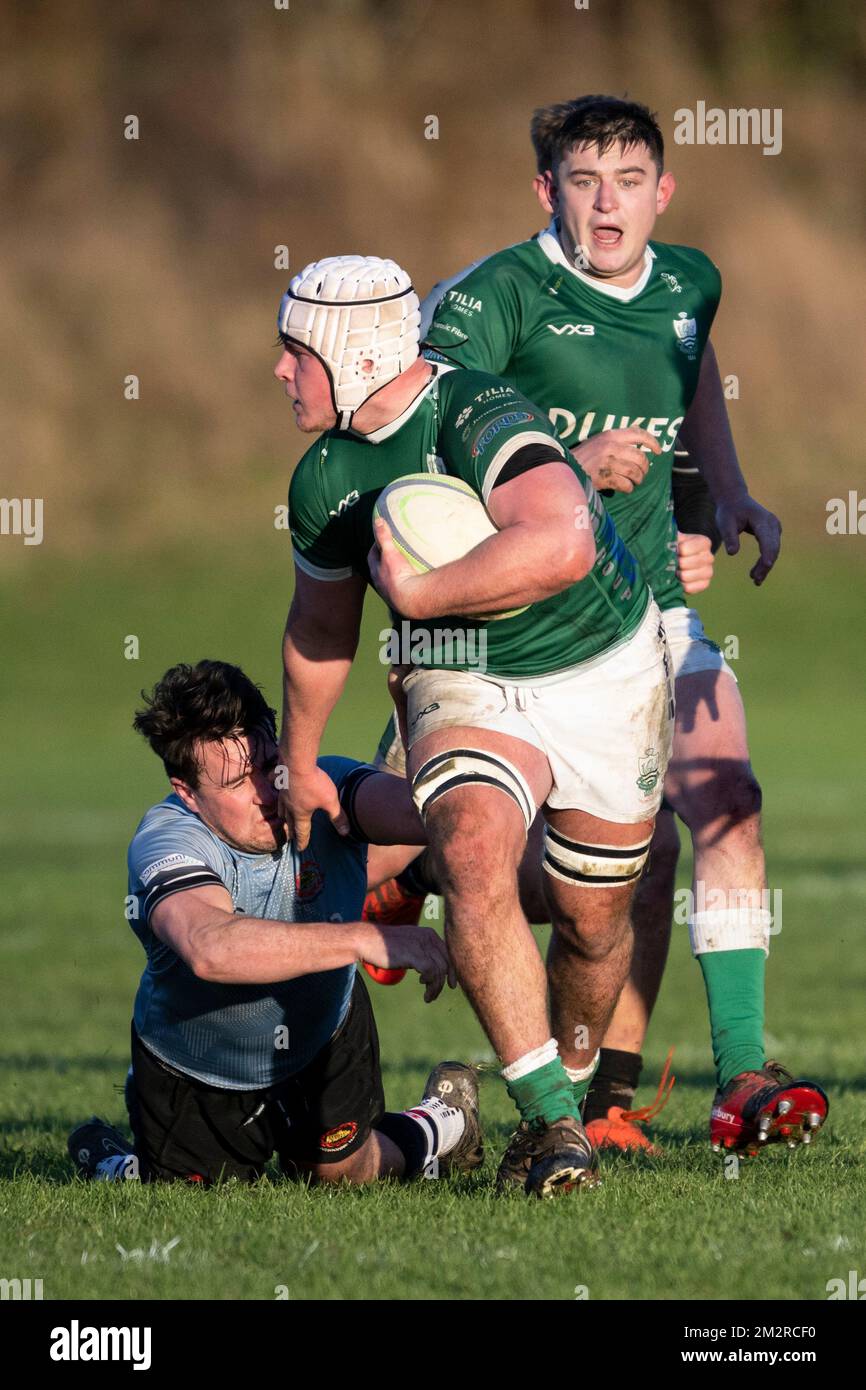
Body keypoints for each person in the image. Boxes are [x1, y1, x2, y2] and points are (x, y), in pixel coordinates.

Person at [413, 94, 827, 1157]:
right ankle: (408, 895)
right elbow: (431, 428)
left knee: (726, 795)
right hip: (523, 632)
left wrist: (723, 494)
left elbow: (692, 386)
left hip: (653, 610)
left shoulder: (689, 284)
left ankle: (738, 1072)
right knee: (559, 875)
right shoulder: (497, 295)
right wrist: (559, 463)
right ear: (544, 189)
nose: (606, 206)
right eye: (583, 182)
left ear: (662, 191)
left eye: (628, 182)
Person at [275, 253, 674, 1196]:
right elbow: (320, 631)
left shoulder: (480, 412)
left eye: (297, 353)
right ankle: (550, 1125)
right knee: (471, 843)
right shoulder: (324, 479)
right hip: (461, 674)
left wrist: (418, 588)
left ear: (355, 354)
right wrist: (299, 765)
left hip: (602, 668)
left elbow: (566, 542)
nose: (281, 372)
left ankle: (565, 1097)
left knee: (591, 917)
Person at [67, 659, 481, 1187]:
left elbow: (441, 812)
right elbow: (209, 947)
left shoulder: (323, 784)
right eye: (238, 781)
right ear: (188, 792)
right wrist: (364, 937)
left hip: (321, 1031)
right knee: (188, 1195)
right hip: (200, 1065)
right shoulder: (167, 840)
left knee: (340, 1175)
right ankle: (118, 1164)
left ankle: (445, 1120)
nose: (266, 792)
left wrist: (434, 721)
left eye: (269, 764)